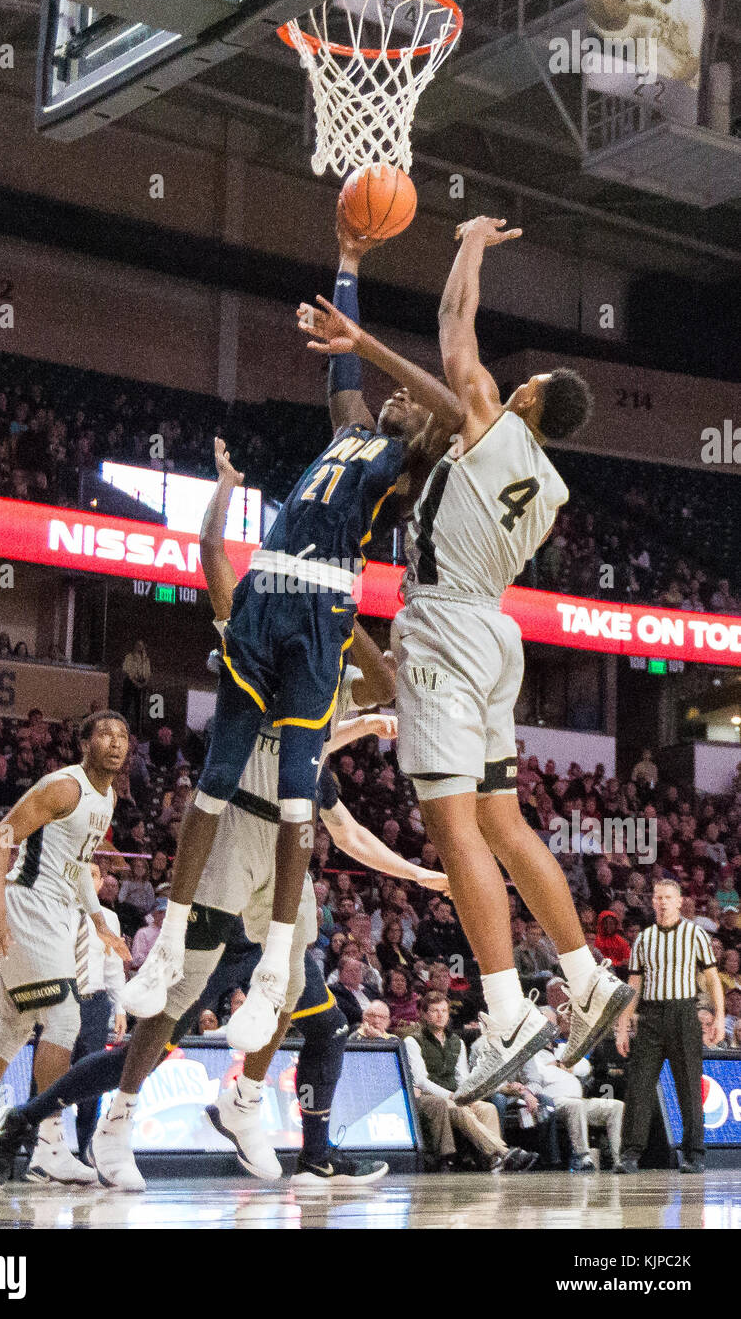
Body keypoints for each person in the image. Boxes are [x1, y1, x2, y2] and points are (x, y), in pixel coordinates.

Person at [0, 447, 445, 1192]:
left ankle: (247, 1100)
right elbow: (209, 554)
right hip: (231, 835)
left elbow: (384, 682)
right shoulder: (248, 625)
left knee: (294, 992)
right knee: (177, 998)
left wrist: (339, 605)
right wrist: (225, 493)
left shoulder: (323, 659)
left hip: (288, 845)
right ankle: (117, 1120)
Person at [300, 214, 631, 1104]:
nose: (505, 382)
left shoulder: (496, 418)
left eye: (518, 382)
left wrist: (472, 244)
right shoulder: (544, 482)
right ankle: (587, 977)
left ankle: (510, 1011)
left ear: (527, 400)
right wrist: (363, 344)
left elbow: (454, 332)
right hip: (492, 634)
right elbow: (437, 401)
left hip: (447, 630)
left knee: (454, 826)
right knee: (504, 821)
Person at [135, 214, 434, 1049]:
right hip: (268, 591)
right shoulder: (352, 431)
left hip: (318, 610)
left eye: (403, 400)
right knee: (217, 773)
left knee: (301, 792)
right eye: (391, 394)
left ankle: (275, 967)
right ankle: (169, 936)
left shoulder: (405, 466)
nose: (393, 398)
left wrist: (374, 346)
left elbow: (436, 410)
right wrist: (345, 262)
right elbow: (341, 368)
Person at [0, 710, 131, 1187]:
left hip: (56, 912)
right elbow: (1, 837)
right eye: (104, 734)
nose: (115, 743)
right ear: (84, 743)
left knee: (11, 1031)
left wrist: (99, 922)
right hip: (28, 905)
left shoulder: (108, 796)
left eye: (122, 735)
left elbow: (77, 866)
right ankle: (48, 1146)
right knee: (65, 1019)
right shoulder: (64, 787)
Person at [614, 880, 724, 1175]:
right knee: (639, 1085)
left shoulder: (695, 934)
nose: (662, 902)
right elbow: (633, 986)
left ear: (679, 902)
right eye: (658, 897)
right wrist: (623, 1026)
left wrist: (719, 1018)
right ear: (652, 902)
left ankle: (695, 1153)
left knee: (688, 1084)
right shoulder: (644, 939)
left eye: (668, 897)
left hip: (683, 1012)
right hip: (650, 1016)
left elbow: (713, 979)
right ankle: (630, 1154)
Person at [403, 992, 537, 1173]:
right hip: (432, 1097)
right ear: (425, 1014)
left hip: (455, 1095)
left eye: (444, 1010)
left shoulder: (456, 1041)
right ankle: (503, 1153)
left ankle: (493, 1161)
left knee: (487, 1108)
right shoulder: (413, 1041)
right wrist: (450, 1095)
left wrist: (469, 1095)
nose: (440, 1015)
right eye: (434, 1011)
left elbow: (463, 1078)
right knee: (459, 1109)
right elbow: (421, 1080)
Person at [522, 1009, 624, 1172]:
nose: (549, 1027)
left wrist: (565, 1066)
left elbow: (585, 1067)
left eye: (552, 1023)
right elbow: (539, 1075)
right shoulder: (530, 1052)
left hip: (579, 1101)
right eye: (544, 1023)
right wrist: (559, 1065)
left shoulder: (563, 1047)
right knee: (575, 1105)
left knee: (616, 1106)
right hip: (554, 1101)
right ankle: (583, 1157)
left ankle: (618, 1159)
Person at [71, 863, 127, 1160]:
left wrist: (120, 1007)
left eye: (94, 875)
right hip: (61, 999)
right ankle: (36, 1148)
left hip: (95, 1002)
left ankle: (85, 1150)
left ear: (101, 882)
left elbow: (114, 965)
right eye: (84, 873)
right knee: (49, 1074)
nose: (89, 879)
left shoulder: (111, 919)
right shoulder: (59, 909)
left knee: (91, 1077)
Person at [121, 640, 151, 735]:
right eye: (138, 645)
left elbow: (148, 673)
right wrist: (135, 683)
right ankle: (122, 727)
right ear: (135, 646)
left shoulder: (146, 659)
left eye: (142, 646)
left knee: (139, 708)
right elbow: (127, 672)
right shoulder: (129, 657)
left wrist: (144, 683)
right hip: (130, 683)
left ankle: (138, 730)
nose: (140, 647)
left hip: (141, 683)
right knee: (126, 705)